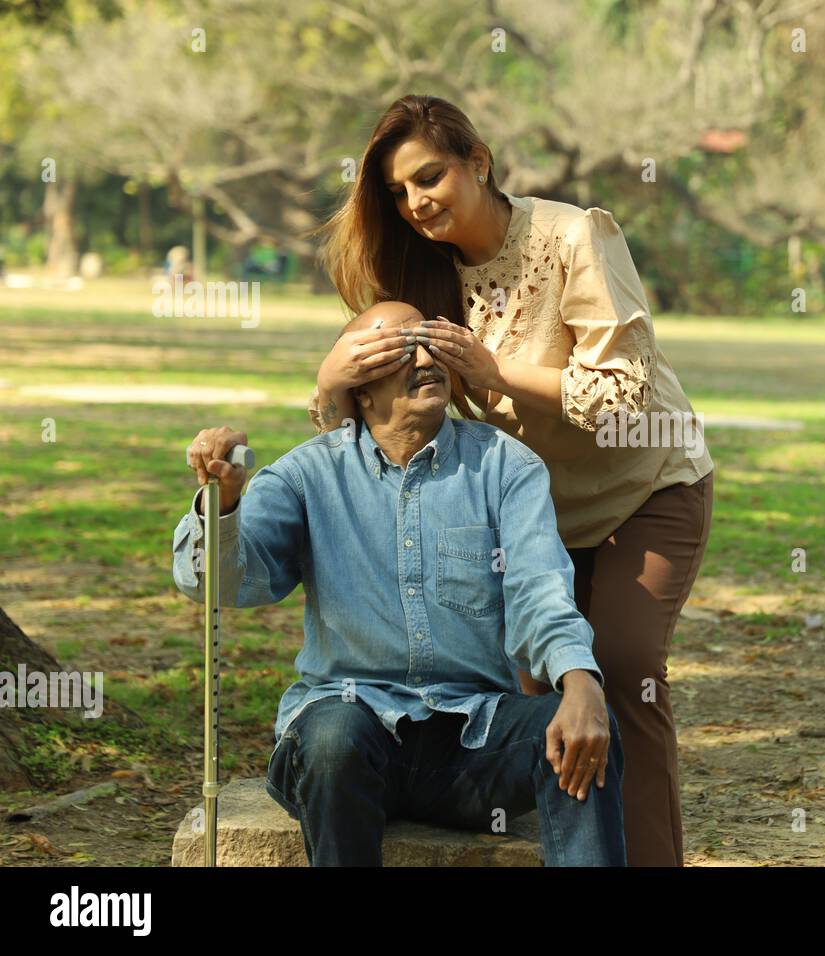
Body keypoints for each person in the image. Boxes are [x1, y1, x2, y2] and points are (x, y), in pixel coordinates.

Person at [309, 95, 714, 866]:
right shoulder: (421, 277)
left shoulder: (574, 235)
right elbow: (366, 426)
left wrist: (496, 373)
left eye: (429, 176)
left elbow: (622, 392)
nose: (416, 201)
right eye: (398, 192)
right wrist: (331, 381)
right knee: (536, 699)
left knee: (622, 668)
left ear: (479, 161)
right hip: (531, 518)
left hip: (645, 488)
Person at [171, 300, 626, 867]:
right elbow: (220, 585)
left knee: (581, 731)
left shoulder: (506, 466)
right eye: (396, 349)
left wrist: (579, 681)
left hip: (470, 743)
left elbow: (539, 588)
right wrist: (225, 502)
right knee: (334, 737)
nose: (423, 357)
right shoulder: (307, 473)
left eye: (428, 342)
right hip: (346, 737)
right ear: (359, 389)